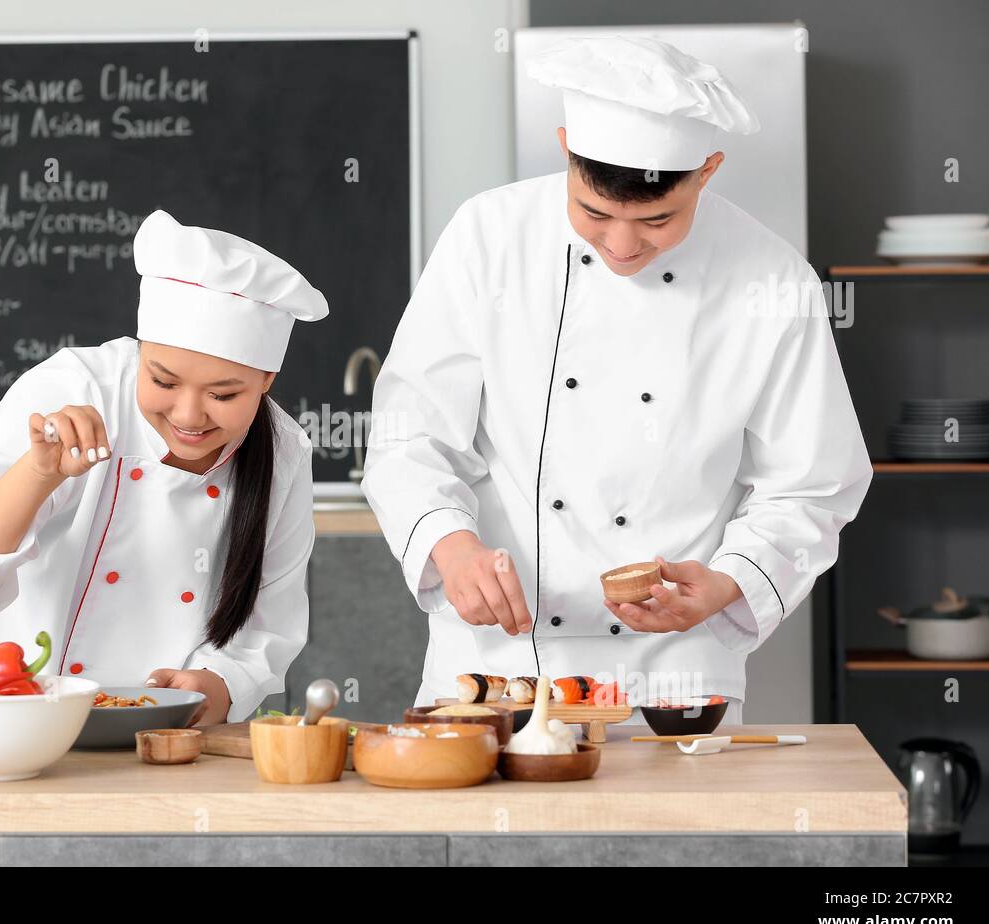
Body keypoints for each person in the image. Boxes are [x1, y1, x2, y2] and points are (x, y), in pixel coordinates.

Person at [361, 36, 873, 722]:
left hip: (675, 684)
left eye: (657, 219)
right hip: (495, 670)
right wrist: (450, 549)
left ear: (708, 170)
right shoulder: (488, 236)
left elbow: (813, 483)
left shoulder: (772, 281)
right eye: (595, 214)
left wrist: (726, 583)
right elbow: (411, 432)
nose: (623, 246)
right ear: (566, 148)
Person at [0, 210, 326, 737]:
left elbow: (268, 617)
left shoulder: (284, 453)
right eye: (163, 380)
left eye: (223, 394)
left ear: (267, 378)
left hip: (136, 727)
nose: (188, 415)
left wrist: (219, 681)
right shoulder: (75, 389)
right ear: (140, 352)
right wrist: (40, 473)